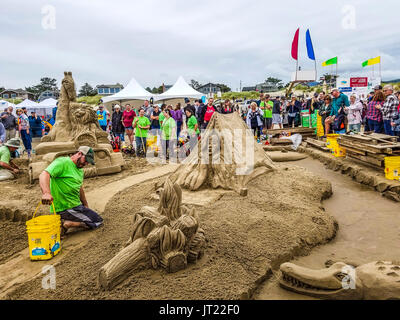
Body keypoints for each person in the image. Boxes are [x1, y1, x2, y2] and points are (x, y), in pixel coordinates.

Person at [39, 146, 103, 236]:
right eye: (86, 160)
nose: (86, 163)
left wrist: (85, 204)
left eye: (88, 162)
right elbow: (44, 174)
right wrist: (46, 193)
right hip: (65, 208)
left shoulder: (80, 170)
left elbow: (79, 188)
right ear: (79, 153)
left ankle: (69, 222)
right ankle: (69, 224)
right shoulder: (63, 162)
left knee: (94, 217)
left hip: (76, 206)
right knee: (98, 221)